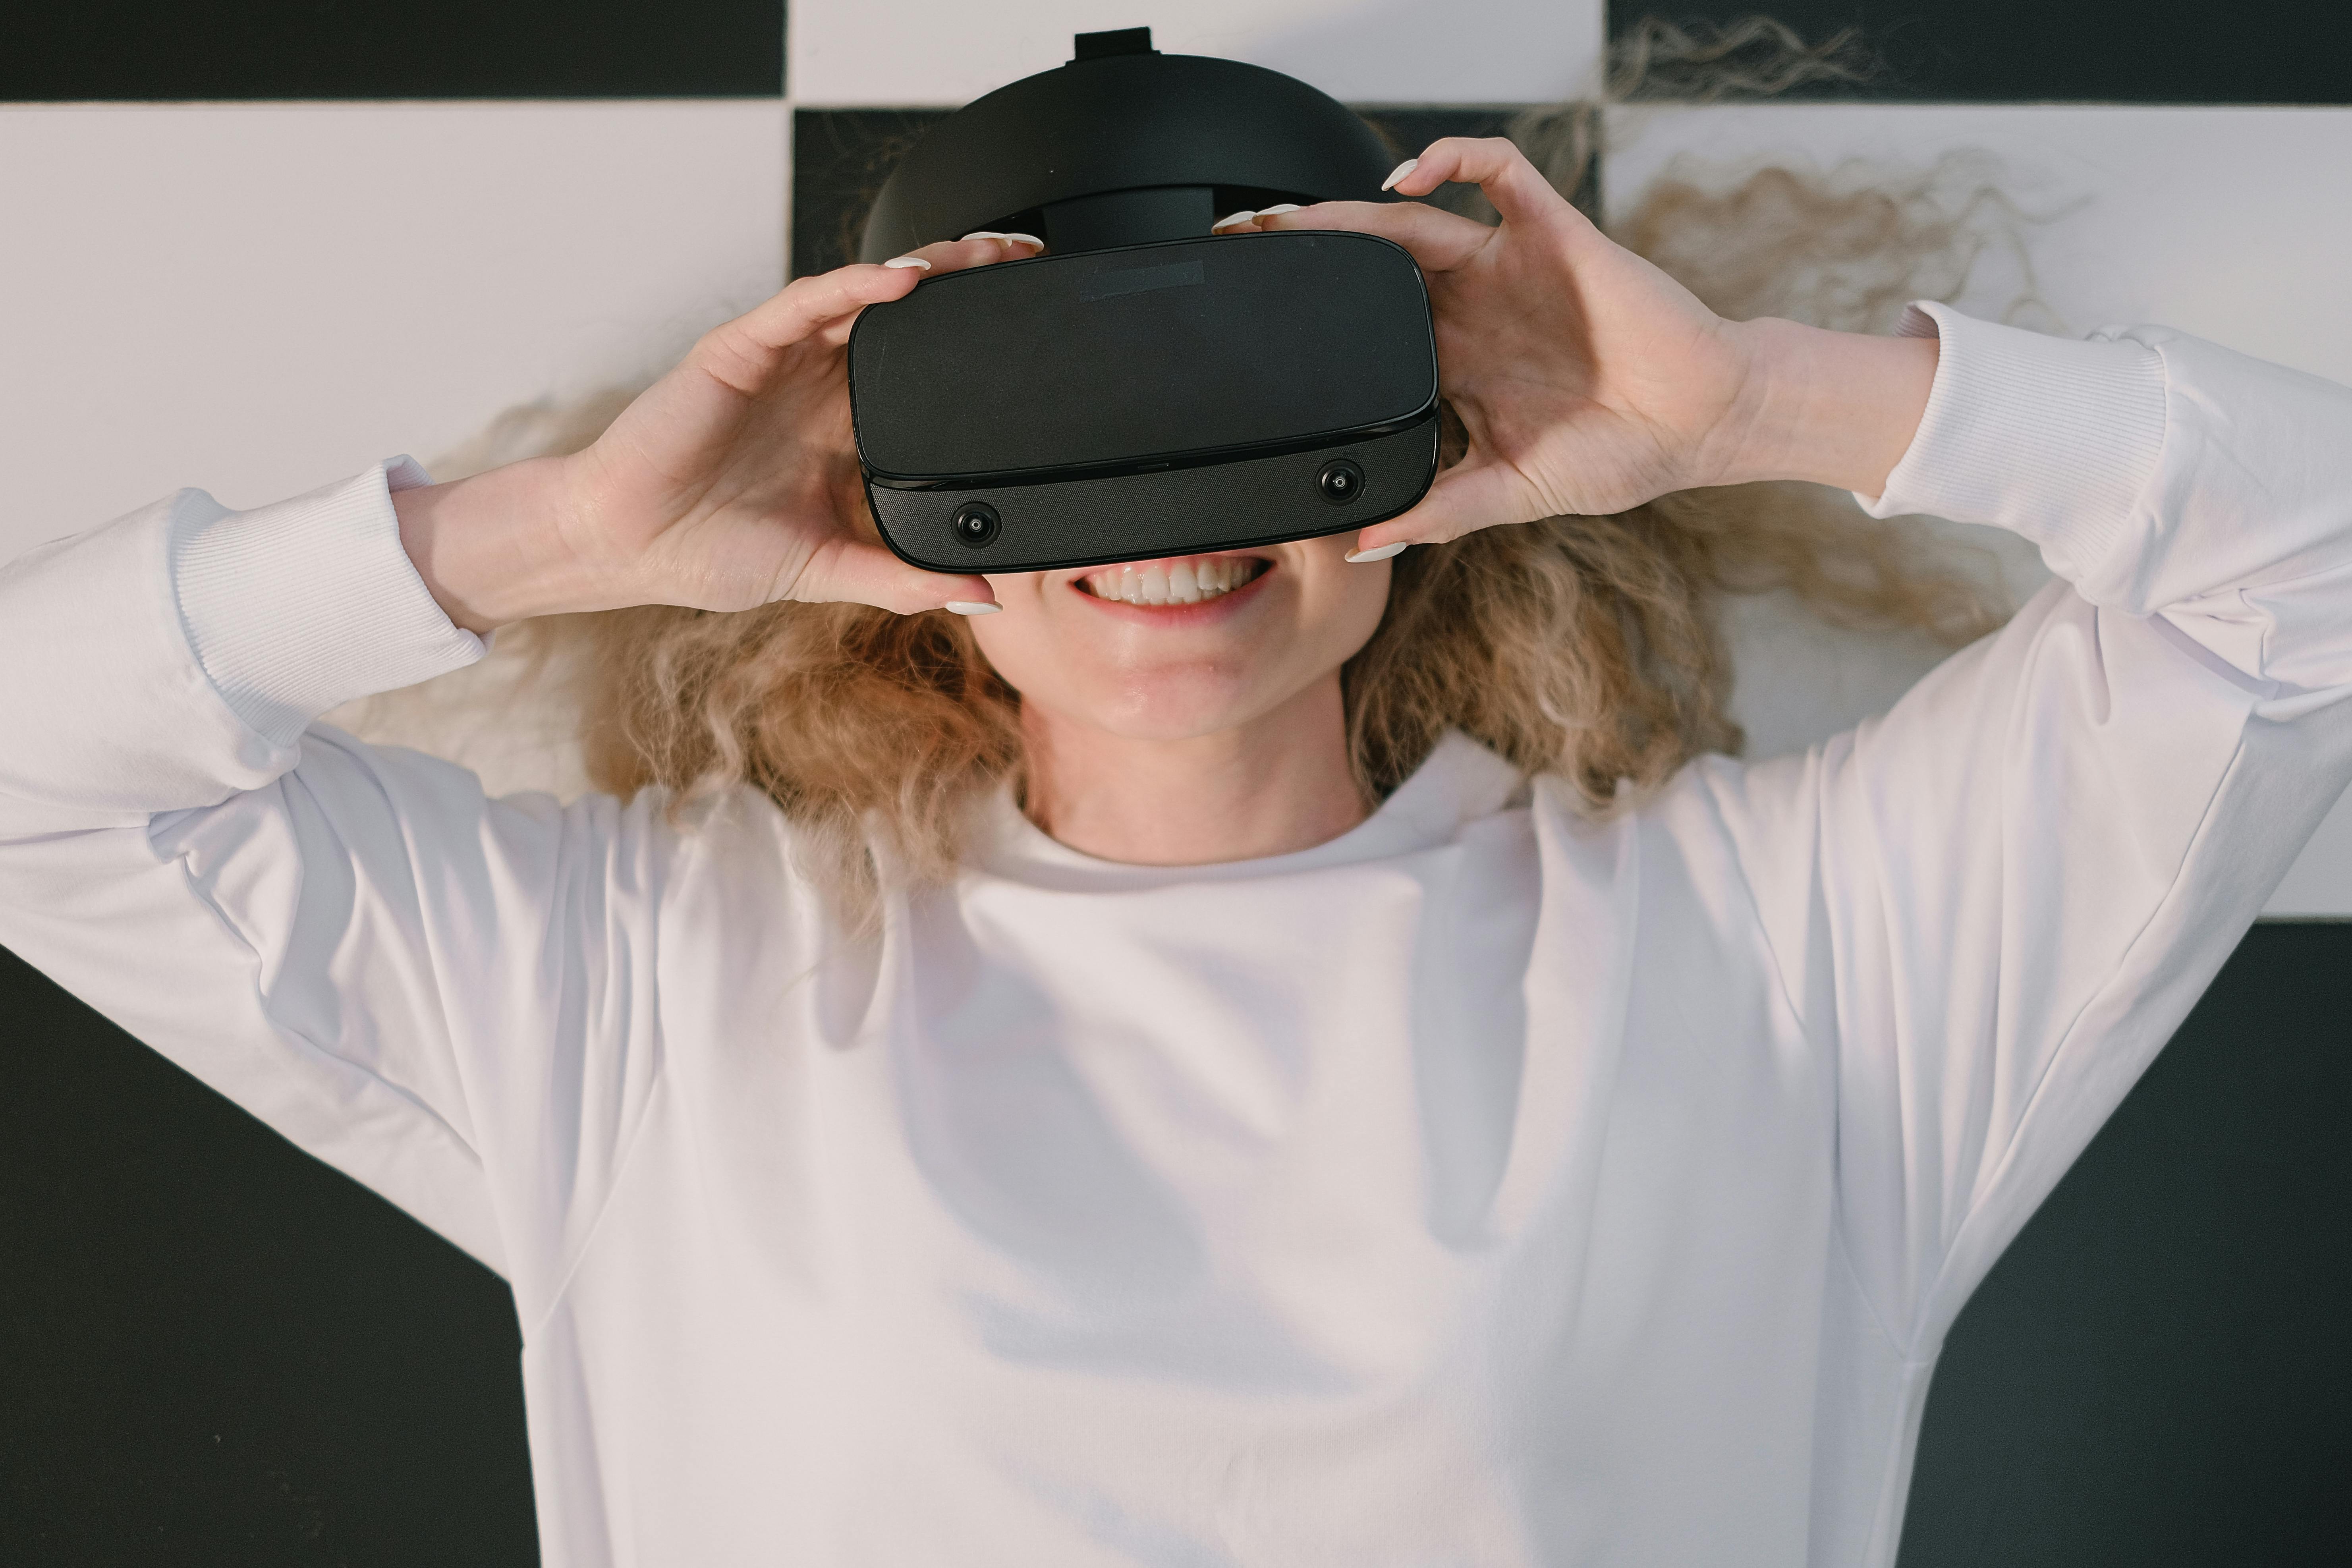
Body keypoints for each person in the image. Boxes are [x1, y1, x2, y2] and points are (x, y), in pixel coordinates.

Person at [2, 133, 2348, 1568]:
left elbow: (2315, 570)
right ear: (883, 467)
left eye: (1239, 392)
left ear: (1411, 441)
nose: (1157, 512)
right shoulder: (643, 991)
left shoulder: (1794, 958)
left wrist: (1739, 405)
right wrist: (569, 532)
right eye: (1037, 410)